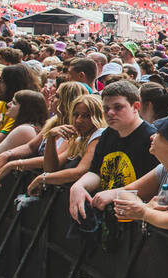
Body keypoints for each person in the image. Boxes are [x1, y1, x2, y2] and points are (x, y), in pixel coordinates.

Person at [67, 80, 157, 222]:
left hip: (135, 222)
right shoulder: (108, 134)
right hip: (108, 218)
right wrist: (79, 186)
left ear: (136, 106)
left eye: (118, 107)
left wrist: (117, 194)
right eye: (106, 108)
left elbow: (155, 184)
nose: (110, 113)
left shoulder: (152, 138)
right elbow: (95, 171)